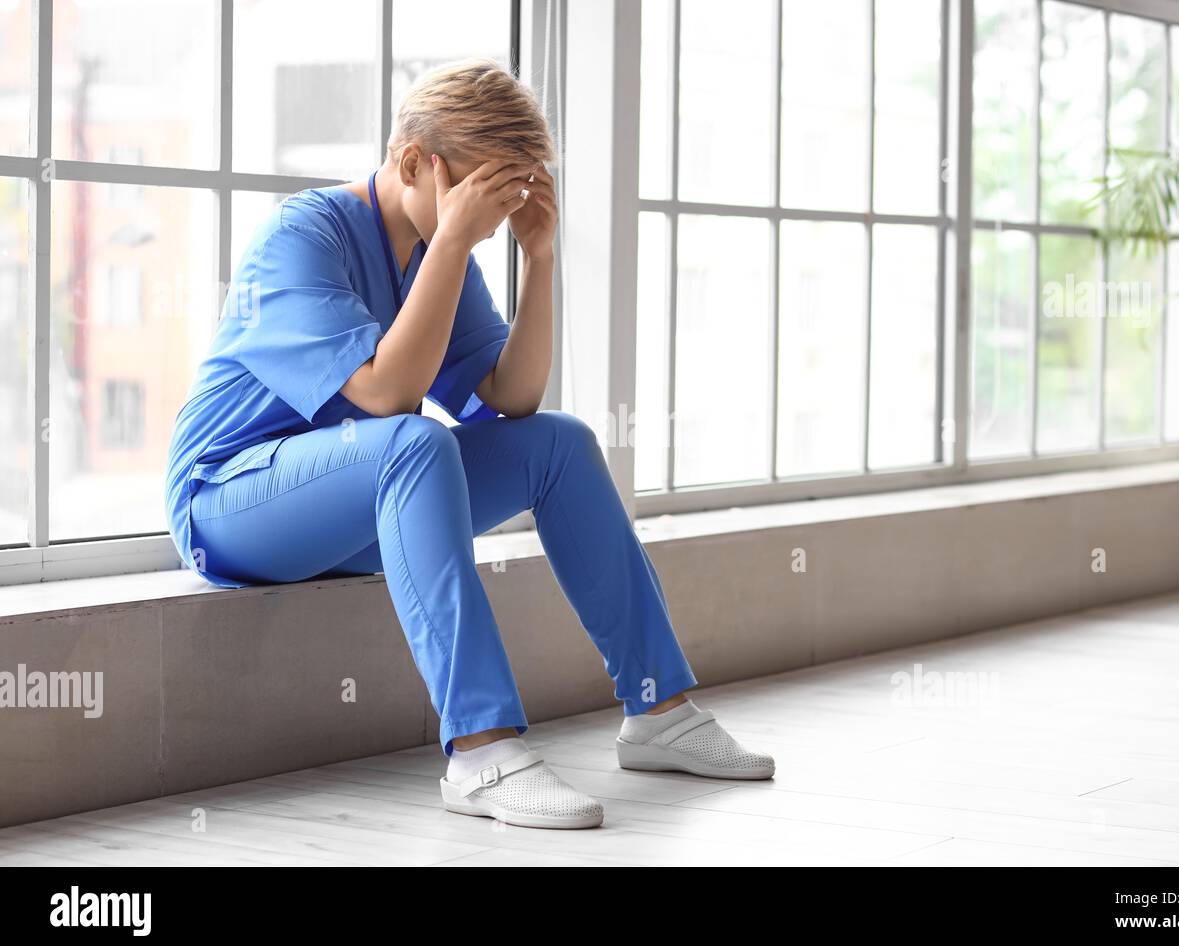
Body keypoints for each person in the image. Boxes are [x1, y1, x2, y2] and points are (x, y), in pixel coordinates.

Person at [163, 58, 774, 831]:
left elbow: (512, 398)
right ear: (414, 161)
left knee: (560, 444)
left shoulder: (433, 254)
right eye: (480, 196)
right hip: (230, 500)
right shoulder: (302, 236)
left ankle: (661, 712)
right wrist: (453, 242)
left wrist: (542, 259)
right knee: (414, 442)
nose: (489, 224)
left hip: (355, 500)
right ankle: (482, 752)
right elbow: (386, 395)